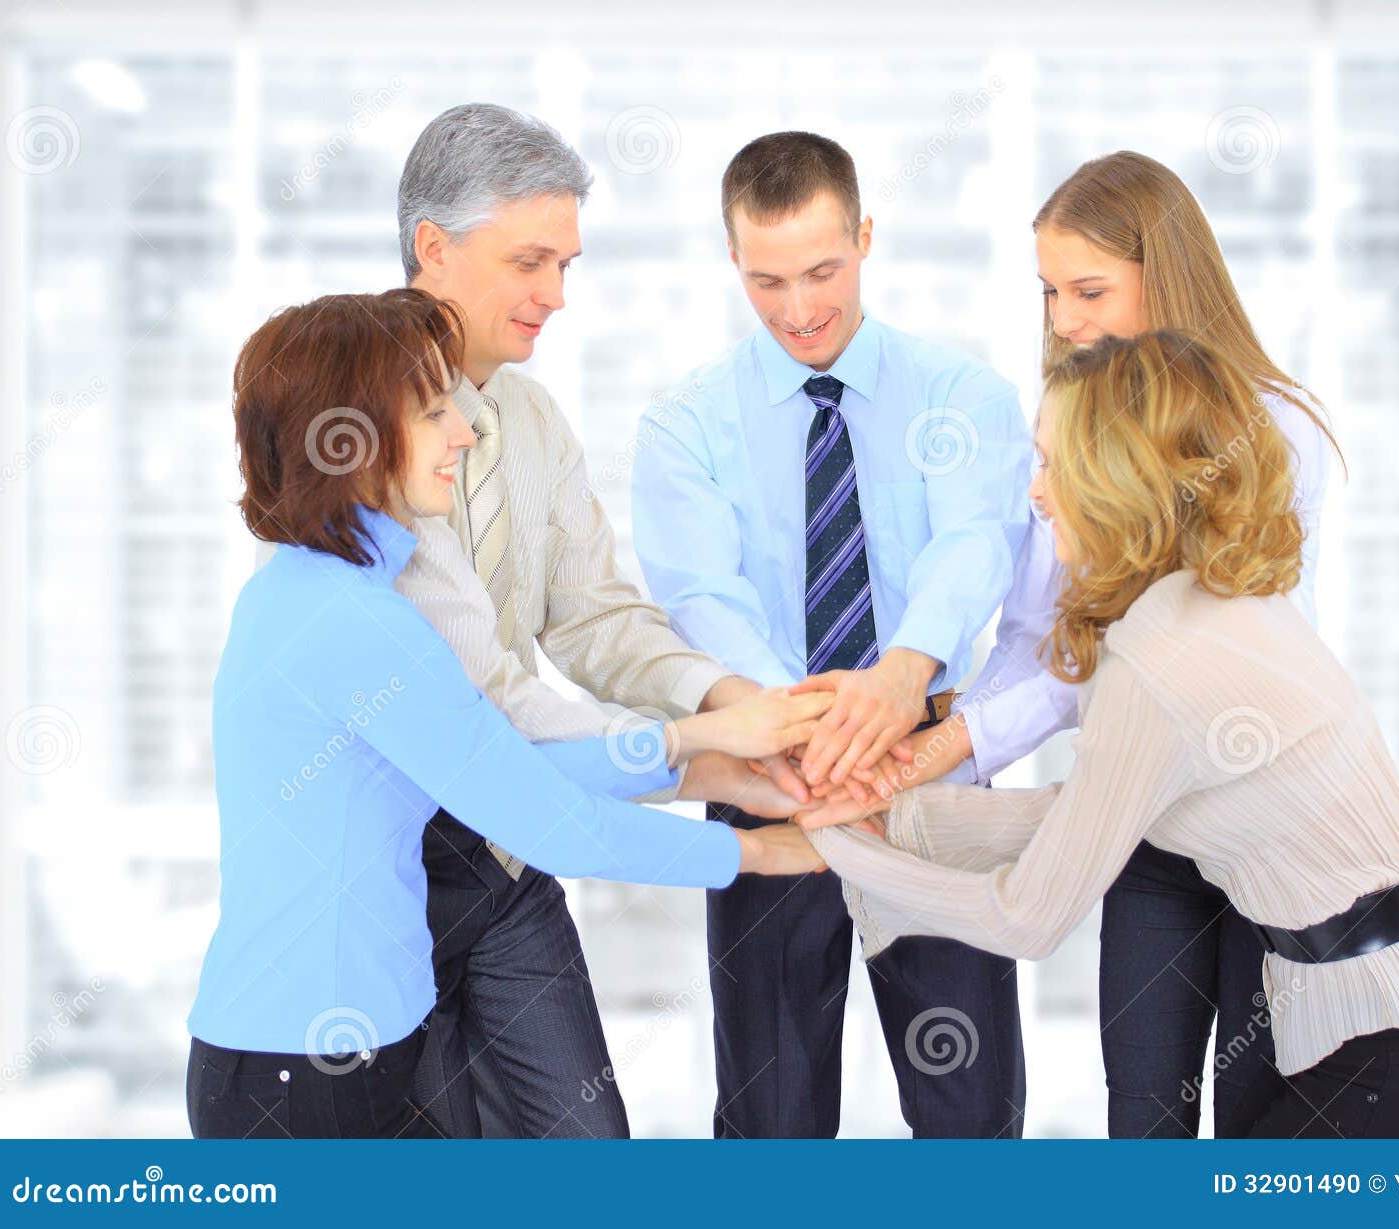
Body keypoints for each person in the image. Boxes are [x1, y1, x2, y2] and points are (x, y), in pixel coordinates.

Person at [799, 331, 1399, 1139]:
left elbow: (1027, 916)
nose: (1035, 495)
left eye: (1051, 463)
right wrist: (896, 818)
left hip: (1397, 1059)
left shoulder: (1157, 656)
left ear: (1118, 479)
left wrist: (843, 848)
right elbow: (1096, 814)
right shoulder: (1212, 594)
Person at [186, 289, 828, 1139]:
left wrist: (699, 760)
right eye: (430, 409)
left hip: (341, 1053)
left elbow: (506, 773)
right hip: (297, 1080)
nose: (463, 429)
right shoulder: (362, 625)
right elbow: (551, 823)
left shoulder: (310, 595)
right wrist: (753, 850)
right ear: (351, 442)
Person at [829, 151, 1339, 1137]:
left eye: (1089, 289)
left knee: (1257, 1112)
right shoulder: (1065, 435)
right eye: (1050, 290)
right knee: (1141, 1107)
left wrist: (934, 760)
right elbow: (1046, 642)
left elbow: (1197, 646)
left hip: (1264, 825)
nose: (1063, 318)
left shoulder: (1275, 428)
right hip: (1142, 823)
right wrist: (932, 750)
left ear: (1167, 274)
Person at [393, 104, 816, 1138]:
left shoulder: (531, 418)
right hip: (391, 868)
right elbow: (484, 693)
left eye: (566, 265)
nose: (555, 296)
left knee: (586, 1150)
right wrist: (704, 751)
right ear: (433, 248)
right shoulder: (364, 416)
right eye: (530, 261)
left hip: (508, 859)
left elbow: (594, 618)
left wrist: (732, 699)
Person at [631, 132, 1031, 1138]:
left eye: (822, 270)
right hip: (771, 782)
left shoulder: (958, 394)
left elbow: (974, 543)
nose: (800, 309)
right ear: (732, 260)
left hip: (925, 767)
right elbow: (699, 595)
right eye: (767, 280)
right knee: (771, 1116)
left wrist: (899, 678)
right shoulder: (684, 423)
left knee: (970, 1113)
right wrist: (809, 726)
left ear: (864, 235)